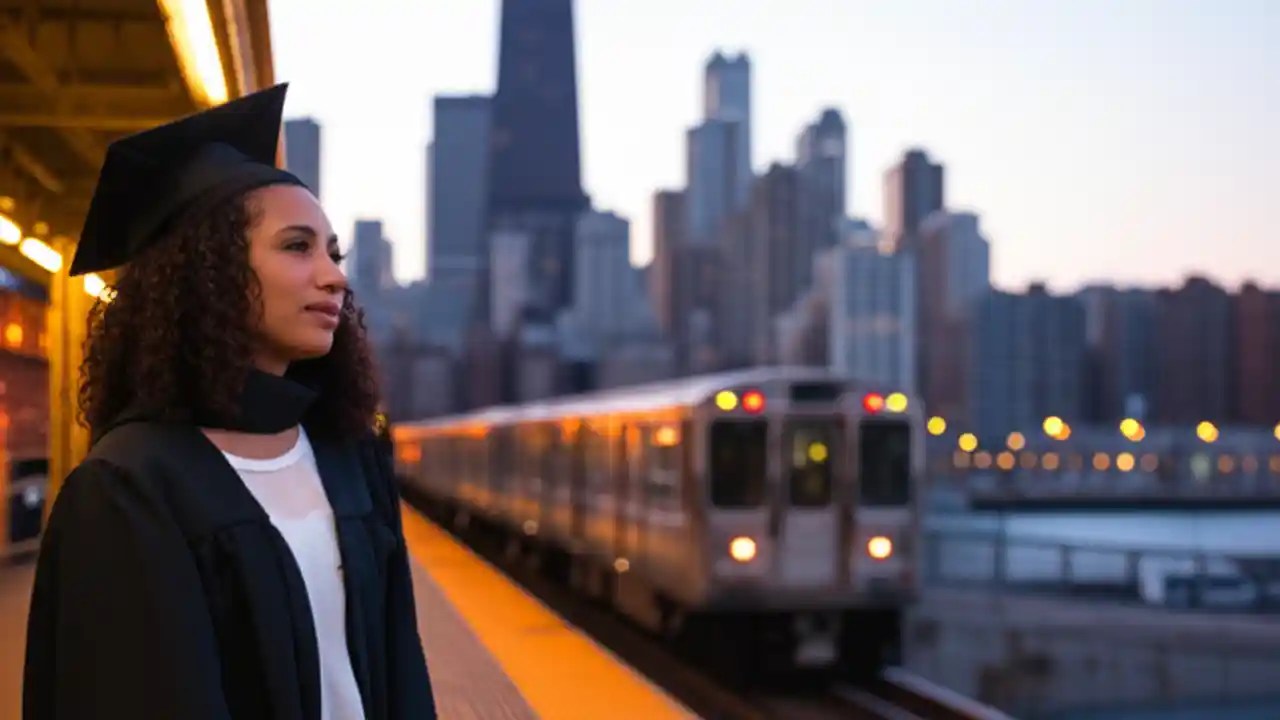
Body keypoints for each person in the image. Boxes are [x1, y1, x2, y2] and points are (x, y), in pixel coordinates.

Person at [22, 84, 436, 719]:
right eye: (297, 246)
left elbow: (401, 672)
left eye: (333, 251)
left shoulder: (351, 455)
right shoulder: (130, 488)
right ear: (207, 270)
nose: (334, 275)